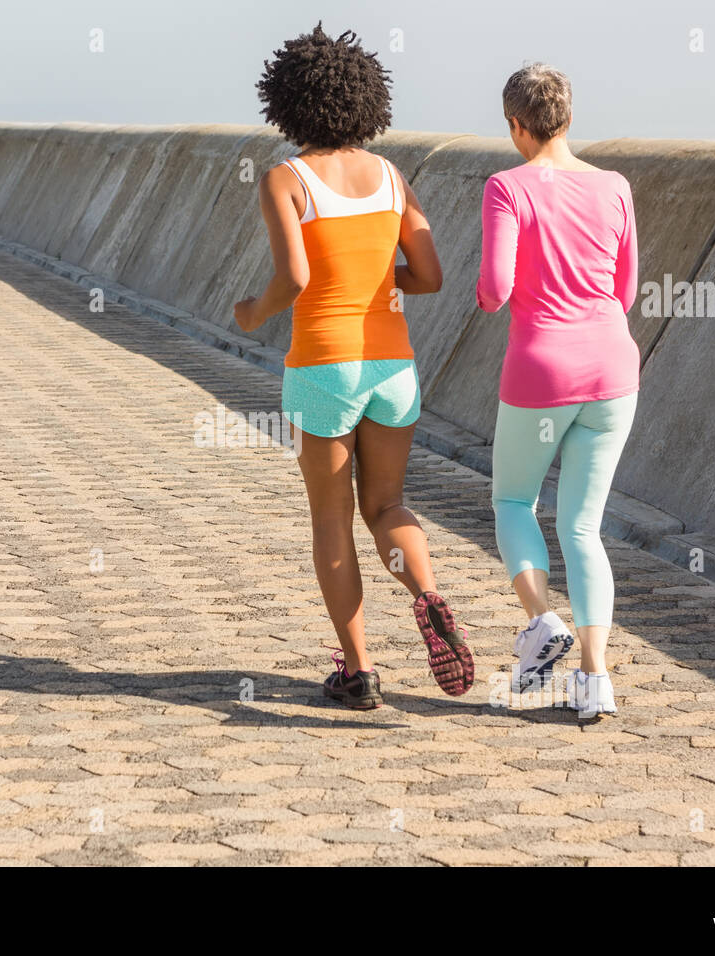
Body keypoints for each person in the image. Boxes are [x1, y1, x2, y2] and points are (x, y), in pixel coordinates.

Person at [234, 24, 473, 710]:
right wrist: (376, 274)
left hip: (324, 367)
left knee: (332, 521)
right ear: (368, 101)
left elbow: (296, 278)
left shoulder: (287, 178)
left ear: (285, 103)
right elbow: (428, 274)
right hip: (393, 367)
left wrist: (253, 310)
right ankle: (426, 593)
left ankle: (359, 670)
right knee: (388, 505)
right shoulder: (393, 177)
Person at [476, 64, 640, 719]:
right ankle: (595, 680)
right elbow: (624, 291)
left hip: (541, 372)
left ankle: (542, 622)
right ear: (568, 119)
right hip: (611, 370)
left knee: (514, 499)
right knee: (583, 527)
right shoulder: (615, 185)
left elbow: (494, 288)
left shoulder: (506, 187)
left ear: (516, 126)